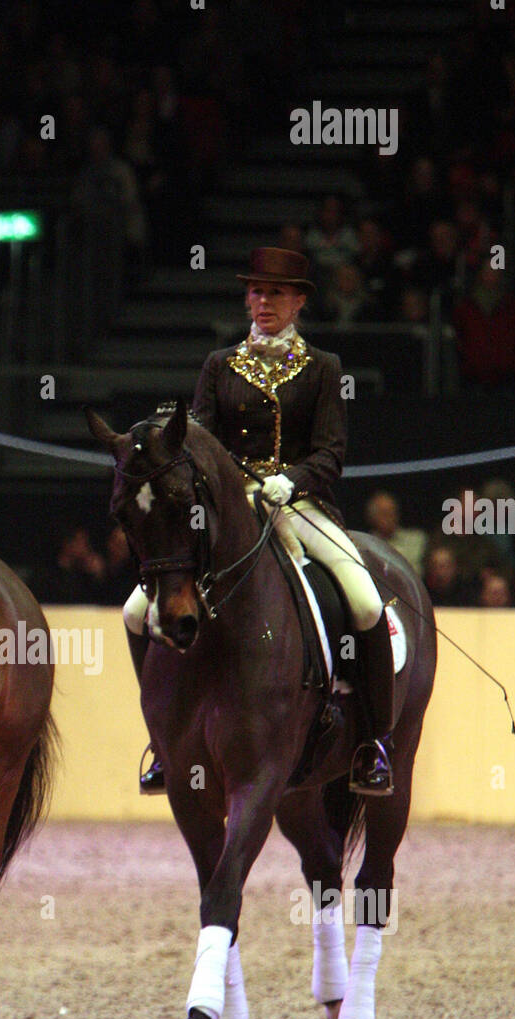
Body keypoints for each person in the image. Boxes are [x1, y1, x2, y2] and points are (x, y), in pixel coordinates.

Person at [123, 247, 395, 797]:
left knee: (365, 602)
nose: (263, 302)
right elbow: (195, 436)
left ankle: (372, 744)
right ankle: (162, 738)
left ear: (298, 302)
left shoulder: (323, 369)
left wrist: (290, 480)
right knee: (134, 612)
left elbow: (330, 453)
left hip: (299, 506)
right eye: (255, 292)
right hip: (230, 509)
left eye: (275, 293)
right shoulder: (220, 364)